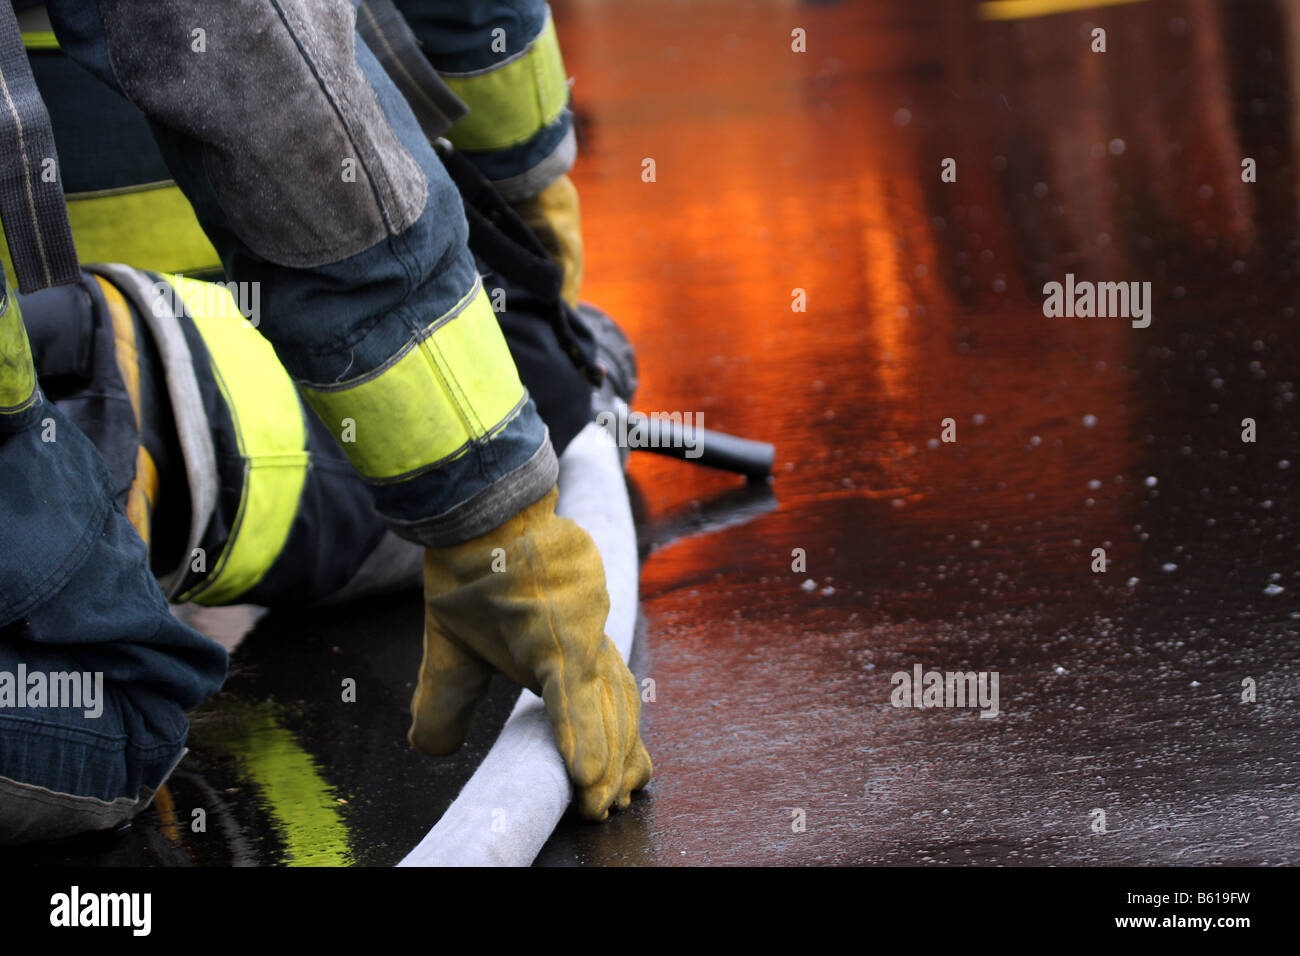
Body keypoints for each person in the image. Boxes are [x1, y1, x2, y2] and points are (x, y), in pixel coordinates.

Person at [0, 0, 650, 845]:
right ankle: (133, 421)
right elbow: (247, 44)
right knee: (110, 710)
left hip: (84, 320)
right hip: (119, 348)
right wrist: (493, 509)